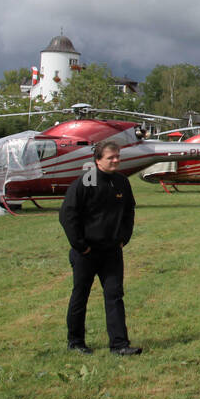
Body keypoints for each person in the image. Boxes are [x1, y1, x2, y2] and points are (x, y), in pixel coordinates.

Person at [59, 141, 141, 355]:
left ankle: (119, 345)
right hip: (86, 253)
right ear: (97, 160)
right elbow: (68, 215)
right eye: (110, 157)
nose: (115, 160)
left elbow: (129, 212)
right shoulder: (85, 182)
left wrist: (124, 238)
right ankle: (75, 342)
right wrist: (81, 246)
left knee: (115, 296)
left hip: (112, 252)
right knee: (80, 295)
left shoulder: (122, 182)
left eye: (117, 156)